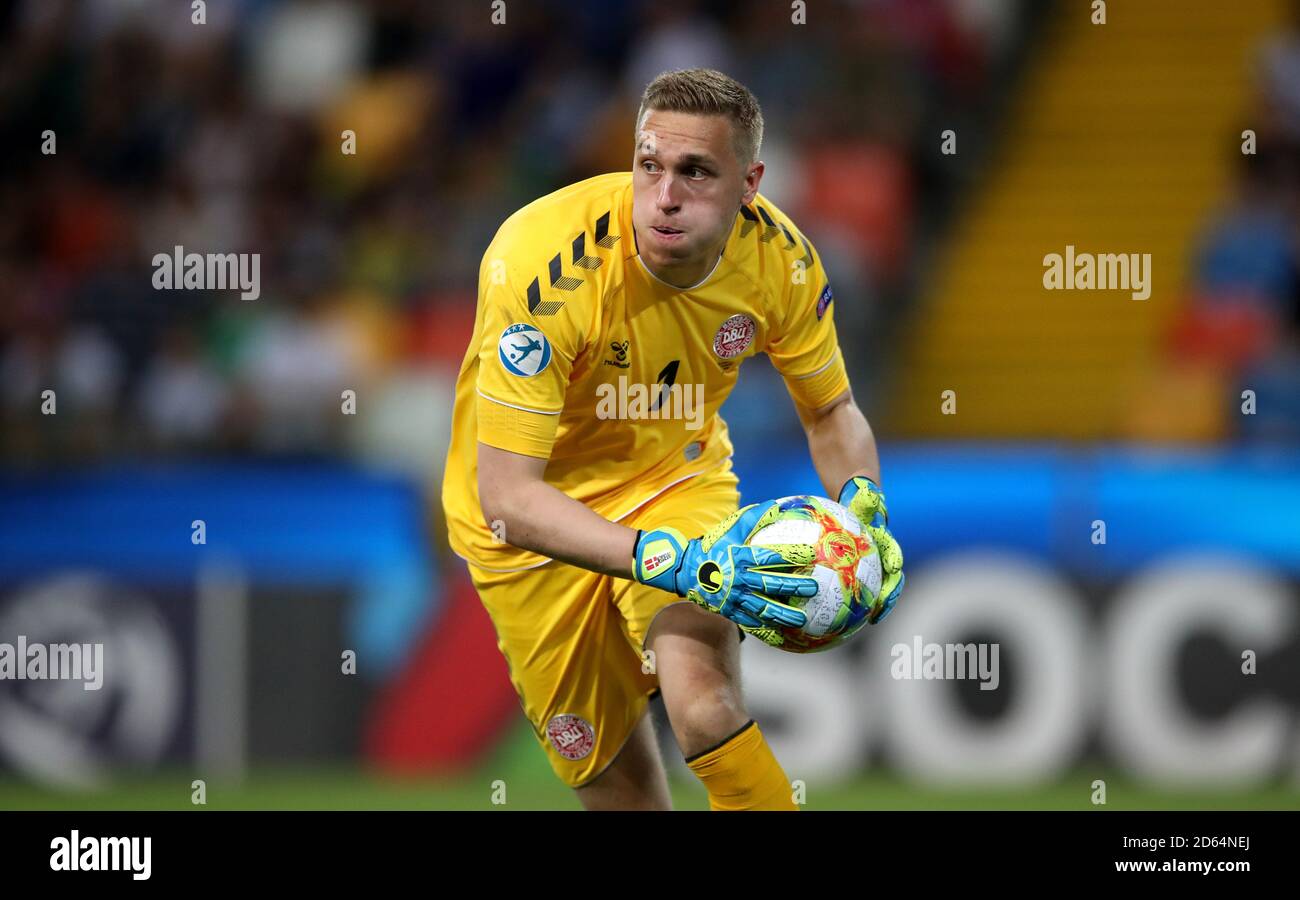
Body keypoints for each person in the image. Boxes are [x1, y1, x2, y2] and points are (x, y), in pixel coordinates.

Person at [441, 68, 904, 810]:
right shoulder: (540, 264)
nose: (664, 196)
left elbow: (832, 412)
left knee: (702, 701)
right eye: (649, 165)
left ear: (750, 182)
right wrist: (665, 561)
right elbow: (507, 496)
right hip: (526, 530)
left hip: (671, 479)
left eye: (695, 172)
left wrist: (867, 508)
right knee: (626, 796)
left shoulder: (781, 264)